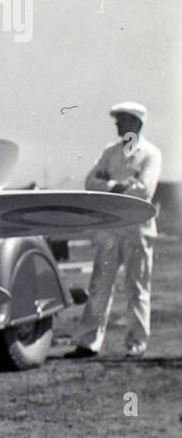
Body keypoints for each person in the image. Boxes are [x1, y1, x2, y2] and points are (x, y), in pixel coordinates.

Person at [68, 102, 161, 359]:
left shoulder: (150, 154)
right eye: (117, 120)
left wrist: (114, 186)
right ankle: (88, 342)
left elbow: (144, 189)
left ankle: (136, 343)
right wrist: (116, 185)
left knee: (137, 287)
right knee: (100, 284)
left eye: (123, 120)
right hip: (111, 228)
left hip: (137, 229)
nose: (118, 125)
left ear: (137, 124)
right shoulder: (110, 153)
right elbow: (91, 181)